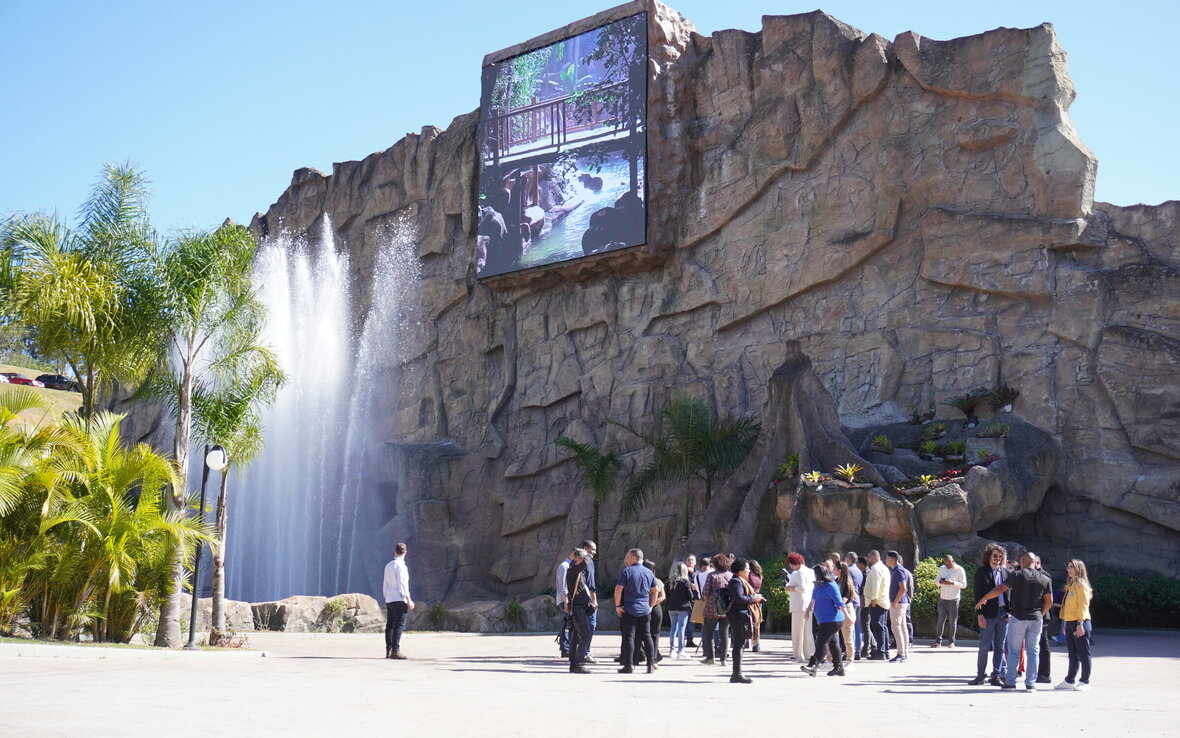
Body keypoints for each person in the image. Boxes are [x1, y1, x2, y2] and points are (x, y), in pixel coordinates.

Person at [976, 551, 1052, 691]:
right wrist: (1040, 614)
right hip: (1036, 619)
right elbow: (1049, 601)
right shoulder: (1044, 578)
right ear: (1035, 562)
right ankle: (1030, 684)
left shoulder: (1016, 575)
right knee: (1033, 651)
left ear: (1022, 561)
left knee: (1014, 651)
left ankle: (1010, 682)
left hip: (1018, 618)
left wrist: (984, 598)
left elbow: (1000, 589)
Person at [968, 543, 1010, 686]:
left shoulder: (1006, 573)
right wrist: (980, 614)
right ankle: (980, 676)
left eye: (1000, 556)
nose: (997, 558)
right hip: (987, 615)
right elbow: (977, 595)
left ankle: (996, 676)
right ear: (989, 557)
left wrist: (1010, 612)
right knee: (984, 646)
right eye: (995, 556)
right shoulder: (982, 572)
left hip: (1003, 613)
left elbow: (1010, 594)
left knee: (1000, 647)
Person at [615, 548, 659, 674]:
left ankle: (629, 665)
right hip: (645, 609)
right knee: (647, 636)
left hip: (630, 608)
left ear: (634, 558)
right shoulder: (649, 572)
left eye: (628, 557)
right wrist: (651, 605)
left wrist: (618, 605)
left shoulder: (627, 572)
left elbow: (618, 589)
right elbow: (655, 590)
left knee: (629, 636)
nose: (626, 559)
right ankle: (650, 665)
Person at [802, 564, 846, 677]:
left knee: (821, 642)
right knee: (833, 643)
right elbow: (813, 600)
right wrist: (807, 611)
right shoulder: (817, 586)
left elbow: (839, 602)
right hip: (823, 620)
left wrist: (848, 616)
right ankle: (839, 668)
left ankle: (813, 666)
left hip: (832, 620)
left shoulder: (831, 585)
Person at [726, 558, 765, 683]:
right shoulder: (736, 582)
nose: (749, 571)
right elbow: (739, 598)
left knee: (740, 644)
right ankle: (736, 673)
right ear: (740, 570)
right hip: (737, 616)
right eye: (747, 568)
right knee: (738, 644)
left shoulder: (740, 580)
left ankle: (737, 673)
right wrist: (754, 598)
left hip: (741, 615)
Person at [1057, 558, 1093, 691]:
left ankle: (1085, 681)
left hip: (1080, 622)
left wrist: (1080, 623)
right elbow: (1068, 607)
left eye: (1072, 567)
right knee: (1072, 653)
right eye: (1068, 567)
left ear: (1079, 569)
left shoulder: (1081, 585)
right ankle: (1069, 680)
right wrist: (1066, 624)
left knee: (1083, 653)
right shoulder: (1071, 585)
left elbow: (1083, 605)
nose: (1069, 569)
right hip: (1071, 622)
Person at [563, 548, 597, 674]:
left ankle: (573, 664)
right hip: (578, 609)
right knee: (586, 636)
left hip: (581, 608)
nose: (586, 561)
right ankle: (579, 664)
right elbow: (584, 564)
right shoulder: (572, 571)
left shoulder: (578, 572)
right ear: (576, 559)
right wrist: (588, 555)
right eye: (582, 558)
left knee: (576, 638)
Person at [382, 542, 415, 659]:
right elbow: (403, 585)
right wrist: (409, 599)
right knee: (399, 625)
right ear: (406, 553)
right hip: (399, 599)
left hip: (389, 599)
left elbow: (385, 584)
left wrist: (386, 597)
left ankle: (388, 650)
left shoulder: (388, 565)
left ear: (395, 552)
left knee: (390, 625)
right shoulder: (401, 566)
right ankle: (395, 650)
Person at [700, 554, 733, 666]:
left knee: (709, 633)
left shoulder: (712, 576)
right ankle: (723, 659)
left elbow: (705, 594)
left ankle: (710, 658)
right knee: (724, 634)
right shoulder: (730, 576)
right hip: (726, 608)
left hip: (711, 608)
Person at [785, 552, 815, 663]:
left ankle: (798, 654)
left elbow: (802, 588)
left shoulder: (799, 573)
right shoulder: (810, 571)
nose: (791, 567)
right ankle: (808, 653)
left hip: (799, 604)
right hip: (808, 603)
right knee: (807, 630)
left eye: (791, 564)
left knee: (798, 631)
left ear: (795, 563)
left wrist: (789, 588)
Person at [934, 553, 967, 648]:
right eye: (945, 564)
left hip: (954, 598)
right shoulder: (942, 568)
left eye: (948, 564)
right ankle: (938, 641)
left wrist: (953, 583)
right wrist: (940, 582)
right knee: (940, 620)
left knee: (953, 621)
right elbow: (936, 582)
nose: (947, 566)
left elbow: (964, 585)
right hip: (943, 598)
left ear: (952, 561)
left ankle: (951, 642)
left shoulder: (959, 569)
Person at [863, 550, 890, 660]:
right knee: (883, 627)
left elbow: (876, 584)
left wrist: (873, 598)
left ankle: (881, 652)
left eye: (869, 557)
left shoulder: (875, 568)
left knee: (878, 627)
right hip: (882, 601)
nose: (868, 560)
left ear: (874, 557)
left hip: (877, 602)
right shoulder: (884, 567)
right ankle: (885, 651)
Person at [886, 551, 911, 663]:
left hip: (899, 603)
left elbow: (903, 588)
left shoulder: (899, 570)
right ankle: (904, 653)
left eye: (887, 558)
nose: (886, 560)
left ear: (892, 559)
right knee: (902, 627)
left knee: (896, 627)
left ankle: (901, 654)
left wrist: (895, 602)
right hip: (901, 602)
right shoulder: (897, 570)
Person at [665, 561, 694, 658]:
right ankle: (680, 650)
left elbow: (667, 595)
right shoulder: (685, 581)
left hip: (672, 607)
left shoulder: (670, 582)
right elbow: (690, 596)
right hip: (683, 607)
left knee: (673, 628)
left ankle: (671, 650)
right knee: (682, 629)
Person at [1031, 554, 1053, 683]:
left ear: (1037, 563)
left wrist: (1042, 614)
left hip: (1042, 614)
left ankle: (1045, 674)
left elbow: (1047, 599)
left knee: (1043, 644)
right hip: (1034, 613)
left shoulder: (1045, 576)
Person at [641, 560, 667, 665]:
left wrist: (649, 605)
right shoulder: (657, 580)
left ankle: (649, 656)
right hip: (655, 608)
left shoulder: (642, 580)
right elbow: (663, 596)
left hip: (645, 607)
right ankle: (653, 658)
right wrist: (653, 604)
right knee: (654, 635)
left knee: (644, 633)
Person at [579, 539, 599, 663]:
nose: (594, 552)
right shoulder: (587, 561)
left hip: (581, 598)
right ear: (585, 548)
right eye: (592, 549)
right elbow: (590, 584)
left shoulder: (581, 562)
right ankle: (585, 652)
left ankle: (581, 652)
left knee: (583, 626)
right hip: (587, 599)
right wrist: (594, 600)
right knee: (590, 625)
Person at [837, 562, 859, 667]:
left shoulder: (847, 583)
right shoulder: (836, 581)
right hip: (839, 609)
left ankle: (850, 660)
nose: (833, 570)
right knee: (834, 637)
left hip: (846, 609)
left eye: (835, 569)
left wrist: (839, 604)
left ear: (840, 570)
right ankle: (832, 659)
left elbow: (844, 599)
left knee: (848, 638)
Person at [843, 552, 865, 659]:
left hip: (850, 600)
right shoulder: (859, 571)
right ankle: (858, 650)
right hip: (857, 600)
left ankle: (851, 651)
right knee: (857, 626)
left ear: (849, 559)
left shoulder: (849, 570)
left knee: (849, 626)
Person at [554, 549, 574, 658]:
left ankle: (567, 647)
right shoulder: (565, 566)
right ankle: (565, 648)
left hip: (567, 599)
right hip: (564, 600)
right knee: (567, 623)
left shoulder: (570, 566)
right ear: (572, 554)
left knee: (568, 623)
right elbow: (563, 586)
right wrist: (566, 602)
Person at [855, 555, 872, 657]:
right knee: (866, 626)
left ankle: (866, 649)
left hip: (865, 604)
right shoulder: (865, 573)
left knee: (865, 626)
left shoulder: (866, 574)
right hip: (865, 603)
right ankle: (872, 646)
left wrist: (861, 605)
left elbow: (864, 592)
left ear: (861, 564)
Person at [682, 554, 698, 648]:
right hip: (685, 600)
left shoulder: (698, 573)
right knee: (683, 622)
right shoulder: (682, 574)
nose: (690, 561)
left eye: (692, 560)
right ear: (685, 561)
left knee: (692, 622)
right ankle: (682, 640)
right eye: (689, 560)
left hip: (695, 600)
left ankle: (690, 640)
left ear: (695, 562)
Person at [748, 560, 764, 652]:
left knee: (749, 622)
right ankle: (756, 645)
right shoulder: (759, 576)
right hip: (759, 600)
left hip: (751, 600)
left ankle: (747, 643)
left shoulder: (749, 576)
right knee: (757, 623)